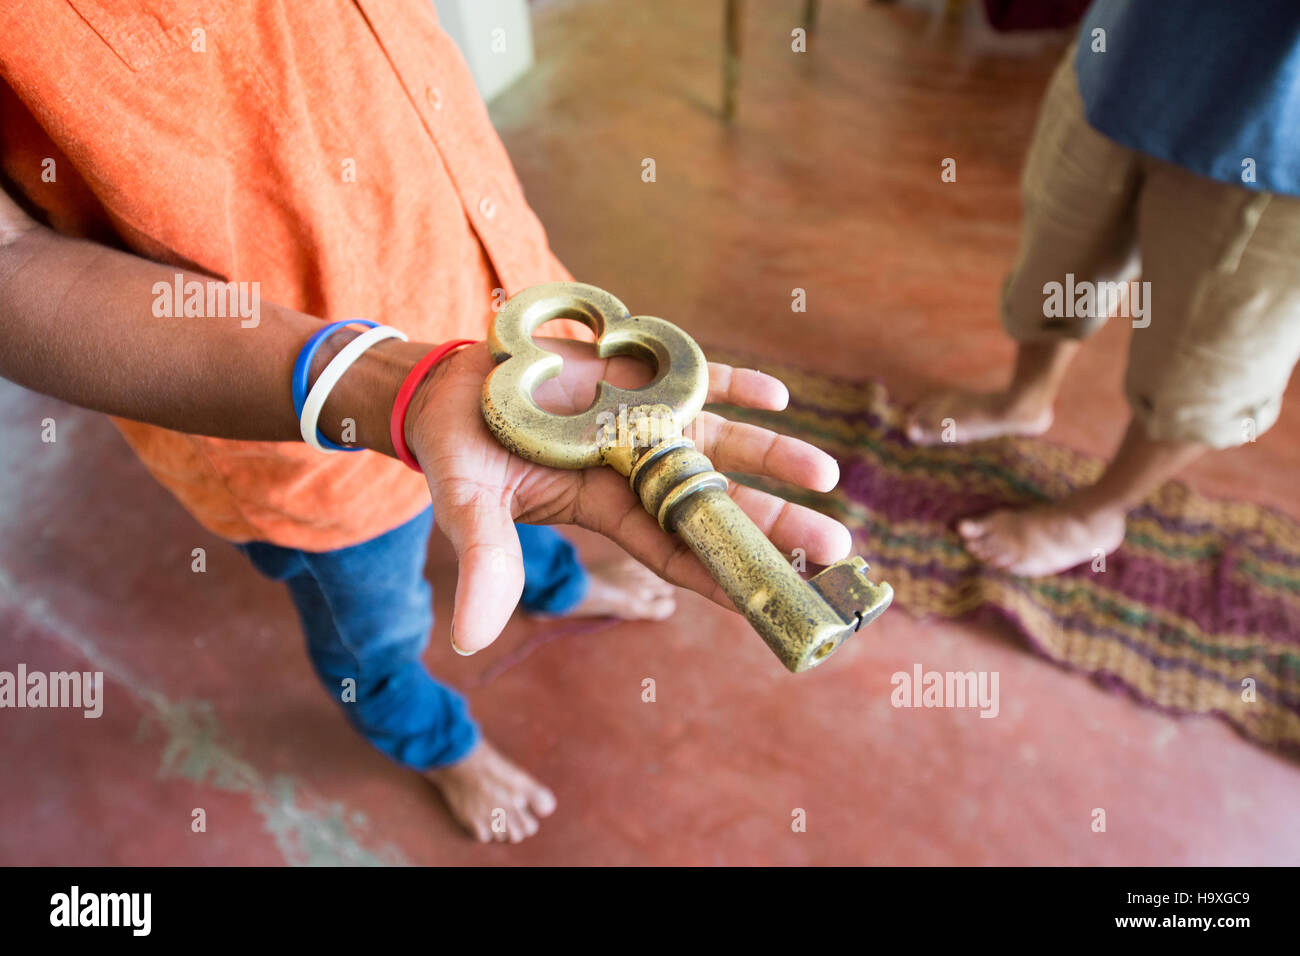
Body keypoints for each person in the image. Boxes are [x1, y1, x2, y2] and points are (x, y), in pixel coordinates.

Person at [0, 1, 851, 843]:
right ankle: (436, 745)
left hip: (500, 309)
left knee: (547, 498)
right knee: (374, 633)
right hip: (296, 439)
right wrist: (393, 391)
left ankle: (555, 589)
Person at [907, 0, 1300, 576]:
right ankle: (1024, 399)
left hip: (1283, 139)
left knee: (1204, 368)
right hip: (1129, 53)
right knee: (1058, 261)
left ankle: (1097, 513)